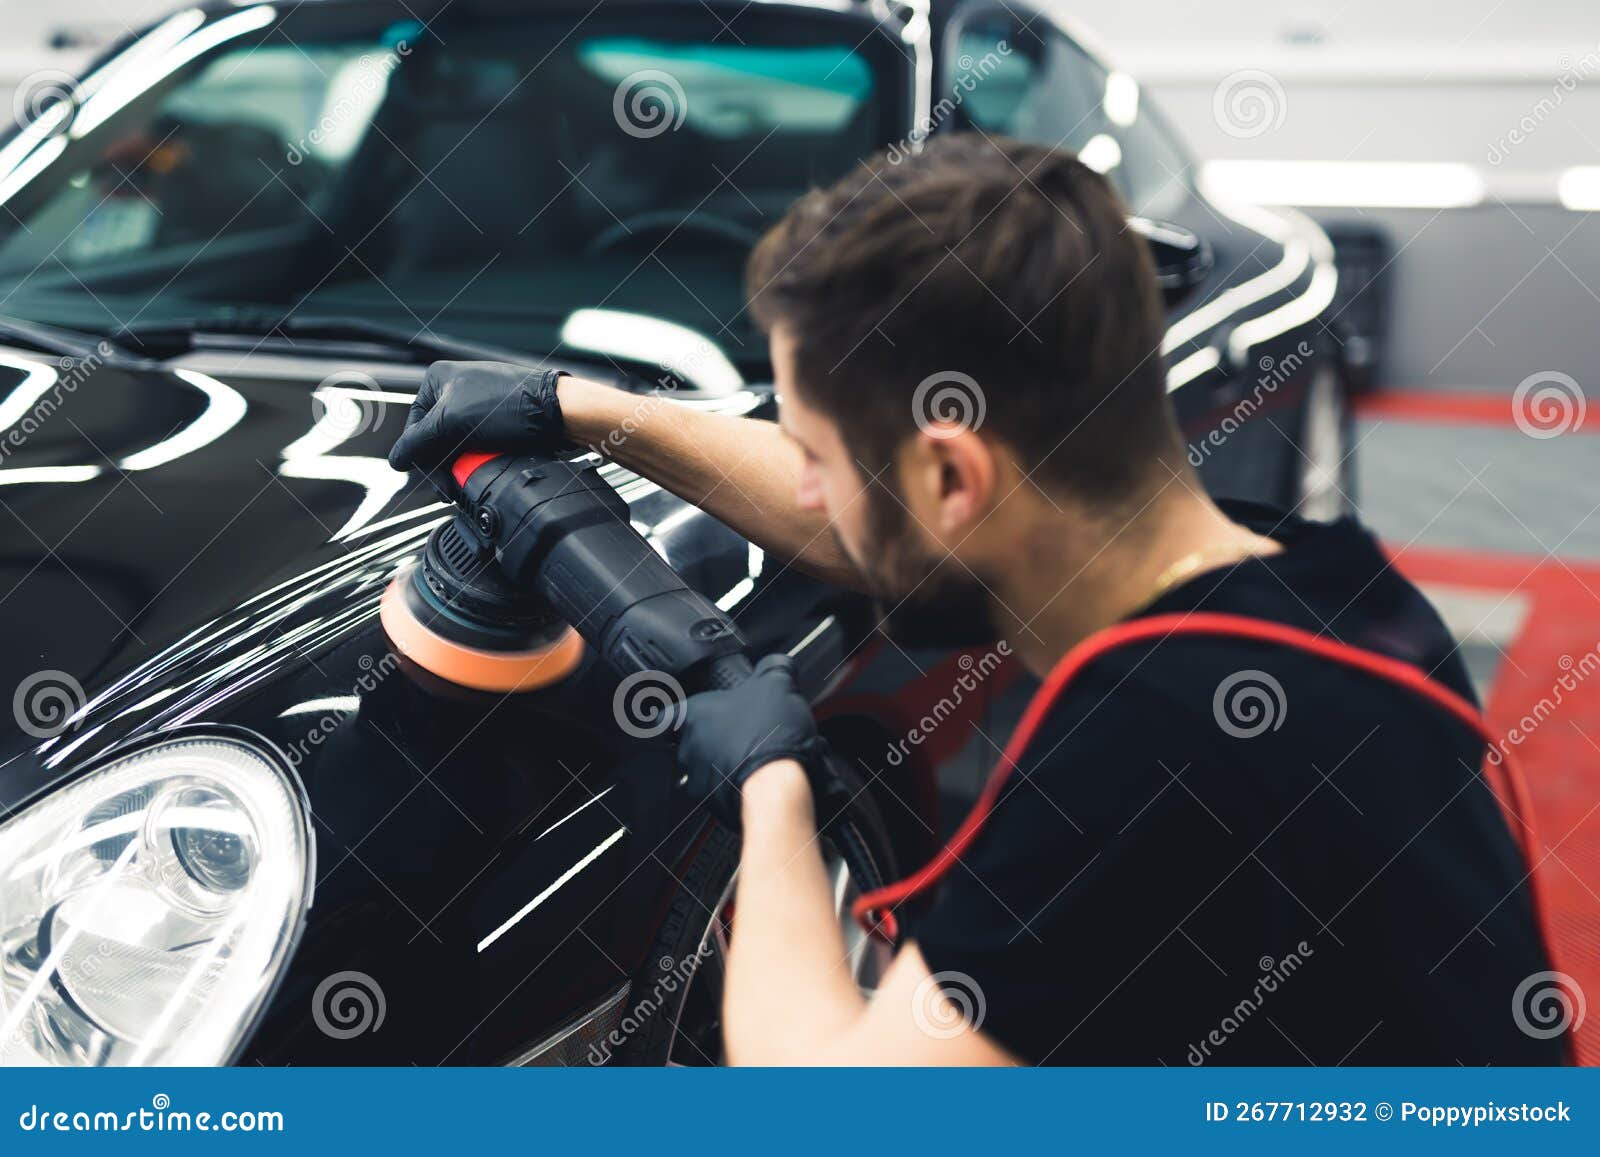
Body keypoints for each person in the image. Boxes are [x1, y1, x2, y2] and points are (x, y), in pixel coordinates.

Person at [388, 135, 1561, 1066]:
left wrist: (772, 793)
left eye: (811, 449)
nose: (802, 487)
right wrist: (583, 410)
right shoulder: (1318, 583)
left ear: (952, 473)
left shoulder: (1148, 743)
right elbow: (875, 527)